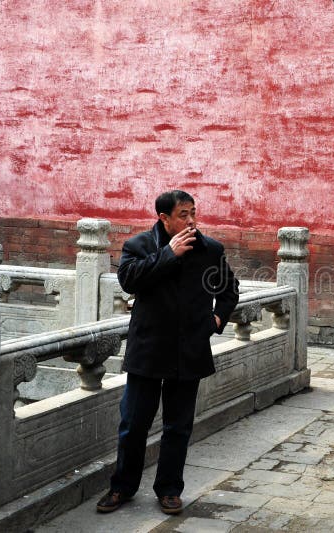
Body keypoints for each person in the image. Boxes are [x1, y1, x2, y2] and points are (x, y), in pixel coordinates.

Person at [96, 190, 239, 515]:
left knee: (178, 426)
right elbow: (129, 281)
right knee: (133, 424)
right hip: (149, 350)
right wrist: (169, 254)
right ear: (164, 218)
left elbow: (229, 289)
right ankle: (122, 487)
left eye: (193, 213)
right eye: (183, 215)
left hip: (189, 351)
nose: (191, 220)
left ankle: (170, 490)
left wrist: (216, 321)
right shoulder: (139, 246)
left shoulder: (209, 249)